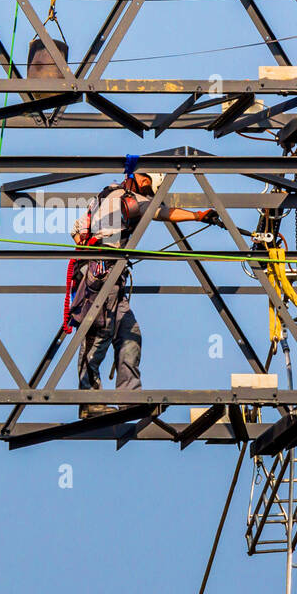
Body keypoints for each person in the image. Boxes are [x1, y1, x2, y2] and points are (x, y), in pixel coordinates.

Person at [67, 171, 224, 417]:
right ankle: (89, 401)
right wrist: (198, 215)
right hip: (102, 276)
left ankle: (129, 397)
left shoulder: (103, 195)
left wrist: (93, 243)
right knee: (99, 335)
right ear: (145, 181)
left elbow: (76, 230)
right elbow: (163, 212)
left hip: (109, 277)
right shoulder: (127, 197)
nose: (148, 196)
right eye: (149, 191)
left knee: (130, 335)